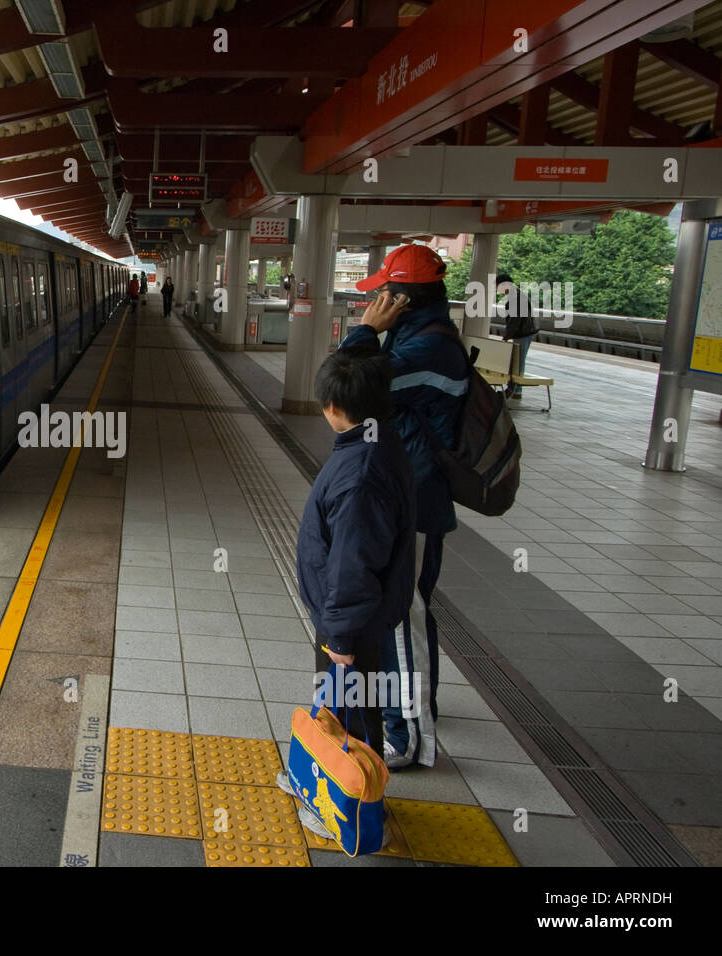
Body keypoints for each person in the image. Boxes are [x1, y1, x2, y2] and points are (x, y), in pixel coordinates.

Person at [277, 345, 415, 843]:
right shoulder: (377, 440)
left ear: (333, 409)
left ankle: (346, 810)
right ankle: (326, 783)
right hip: (356, 618)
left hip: (352, 622)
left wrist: (339, 634)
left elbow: (352, 565)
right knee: (341, 709)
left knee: (352, 716)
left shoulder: (359, 474)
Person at [340, 243, 469, 769]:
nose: (373, 304)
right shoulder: (416, 337)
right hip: (402, 492)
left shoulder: (428, 349)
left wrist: (364, 333)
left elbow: (348, 388)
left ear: (403, 299)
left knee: (401, 613)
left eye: (382, 295)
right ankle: (415, 706)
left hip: (413, 500)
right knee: (400, 610)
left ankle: (409, 735)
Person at [496, 272, 539, 400]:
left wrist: (507, 335)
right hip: (524, 332)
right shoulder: (516, 295)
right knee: (517, 360)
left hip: (523, 333)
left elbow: (515, 319)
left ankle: (516, 390)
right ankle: (513, 388)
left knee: (518, 361)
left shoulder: (516, 298)